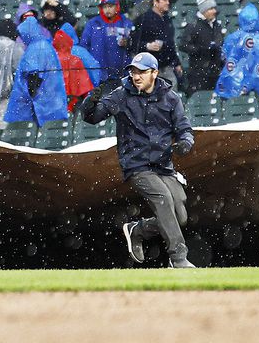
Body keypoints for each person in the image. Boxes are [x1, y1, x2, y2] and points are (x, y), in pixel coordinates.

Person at [82, 53, 198, 267]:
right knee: (163, 199)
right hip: (136, 165)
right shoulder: (120, 95)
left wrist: (186, 142)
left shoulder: (171, 97)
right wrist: (92, 99)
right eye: (133, 71)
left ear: (154, 73)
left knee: (179, 215)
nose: (136, 76)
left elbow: (184, 128)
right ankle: (178, 258)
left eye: (142, 72)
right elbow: (91, 118)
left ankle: (138, 229)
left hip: (164, 166)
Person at [179, 0, 224, 97]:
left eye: (214, 8)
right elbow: (183, 45)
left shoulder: (216, 25)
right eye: (211, 9)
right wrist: (200, 49)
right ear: (204, 10)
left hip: (215, 69)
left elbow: (220, 41)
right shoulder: (193, 26)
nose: (214, 11)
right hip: (199, 72)